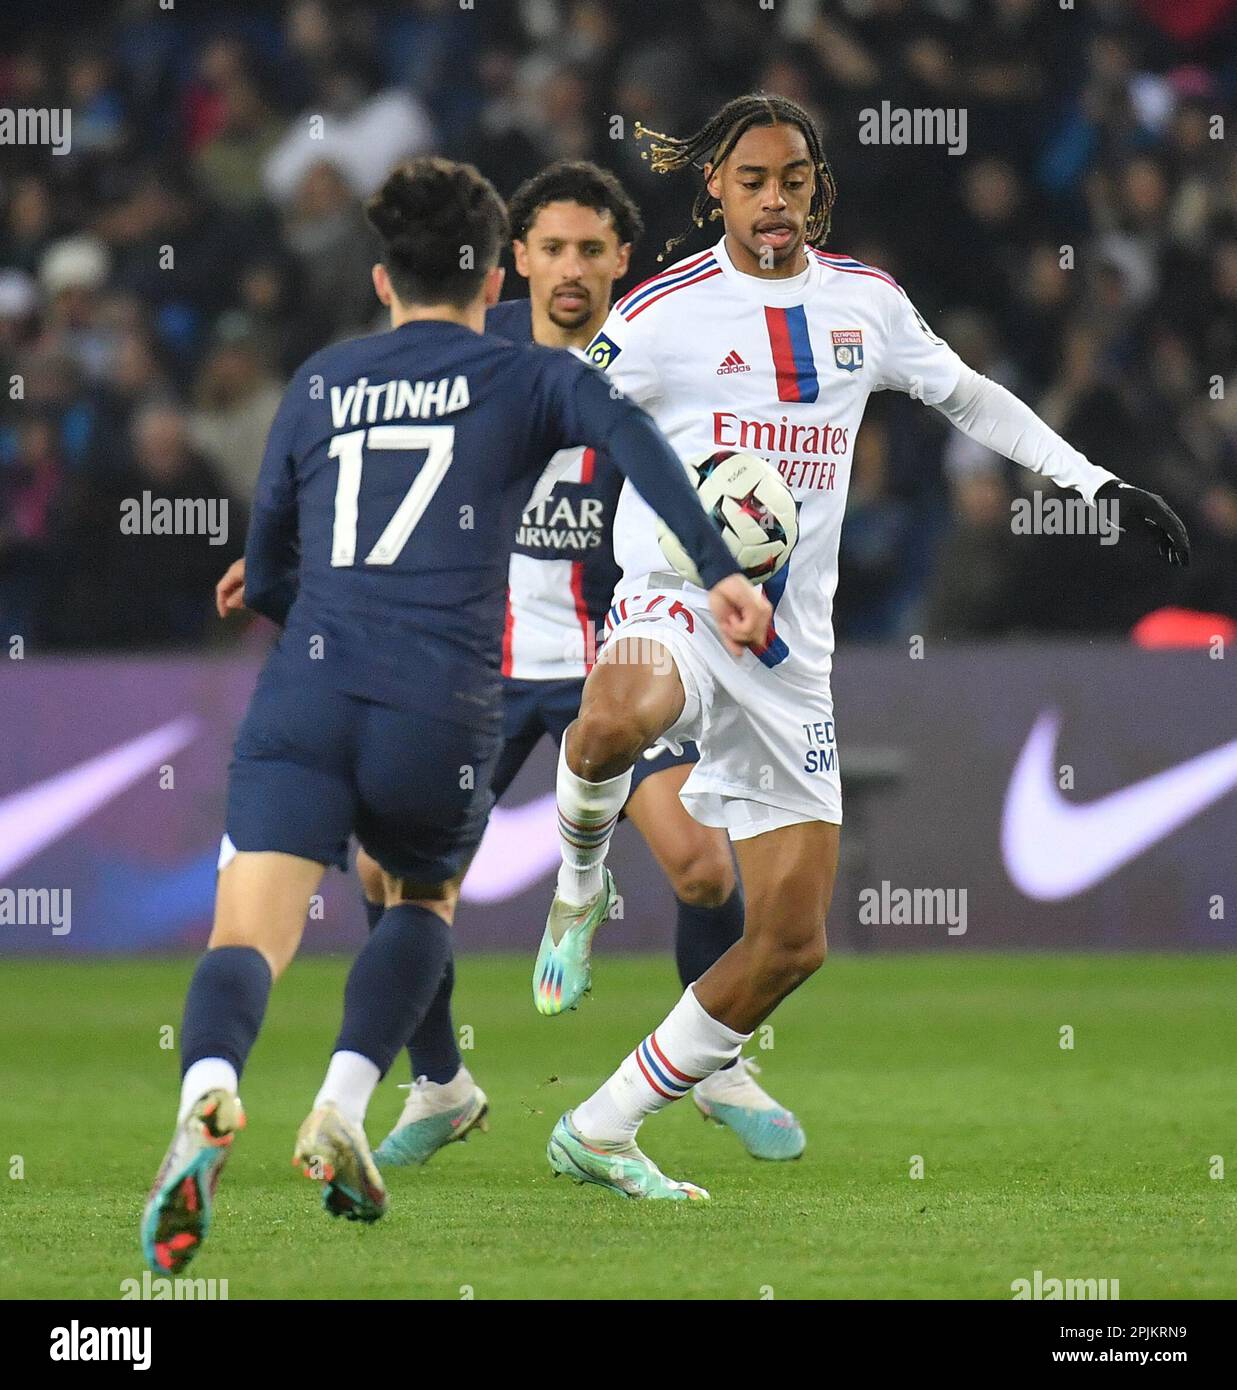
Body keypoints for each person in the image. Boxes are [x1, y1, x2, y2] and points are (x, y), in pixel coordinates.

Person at [538, 93, 1190, 1201]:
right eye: (751, 181)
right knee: (610, 719)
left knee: (793, 943)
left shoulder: (867, 305)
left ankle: (602, 1125)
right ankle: (581, 880)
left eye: (792, 179)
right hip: (681, 602)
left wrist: (1094, 483)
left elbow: (971, 398)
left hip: (790, 658)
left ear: (815, 187)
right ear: (716, 192)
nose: (774, 199)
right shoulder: (660, 312)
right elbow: (553, 404)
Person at [141, 155, 770, 1275]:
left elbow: (269, 572)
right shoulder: (522, 378)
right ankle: (350, 1099)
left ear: (382, 278)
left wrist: (280, 592)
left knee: (249, 935)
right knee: (419, 900)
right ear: (497, 280)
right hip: (440, 694)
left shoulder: (321, 383)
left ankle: (209, 1091)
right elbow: (629, 436)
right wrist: (721, 566)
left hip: (311, 689)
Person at [359, 160, 806, 1167]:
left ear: (621, 262)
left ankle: (718, 1063)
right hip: (485, 663)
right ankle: (439, 1084)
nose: (570, 268)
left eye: (591, 250)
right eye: (551, 248)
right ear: (512, 260)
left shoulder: (661, 363)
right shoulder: (469, 359)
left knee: (699, 867)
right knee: (388, 871)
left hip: (619, 656)